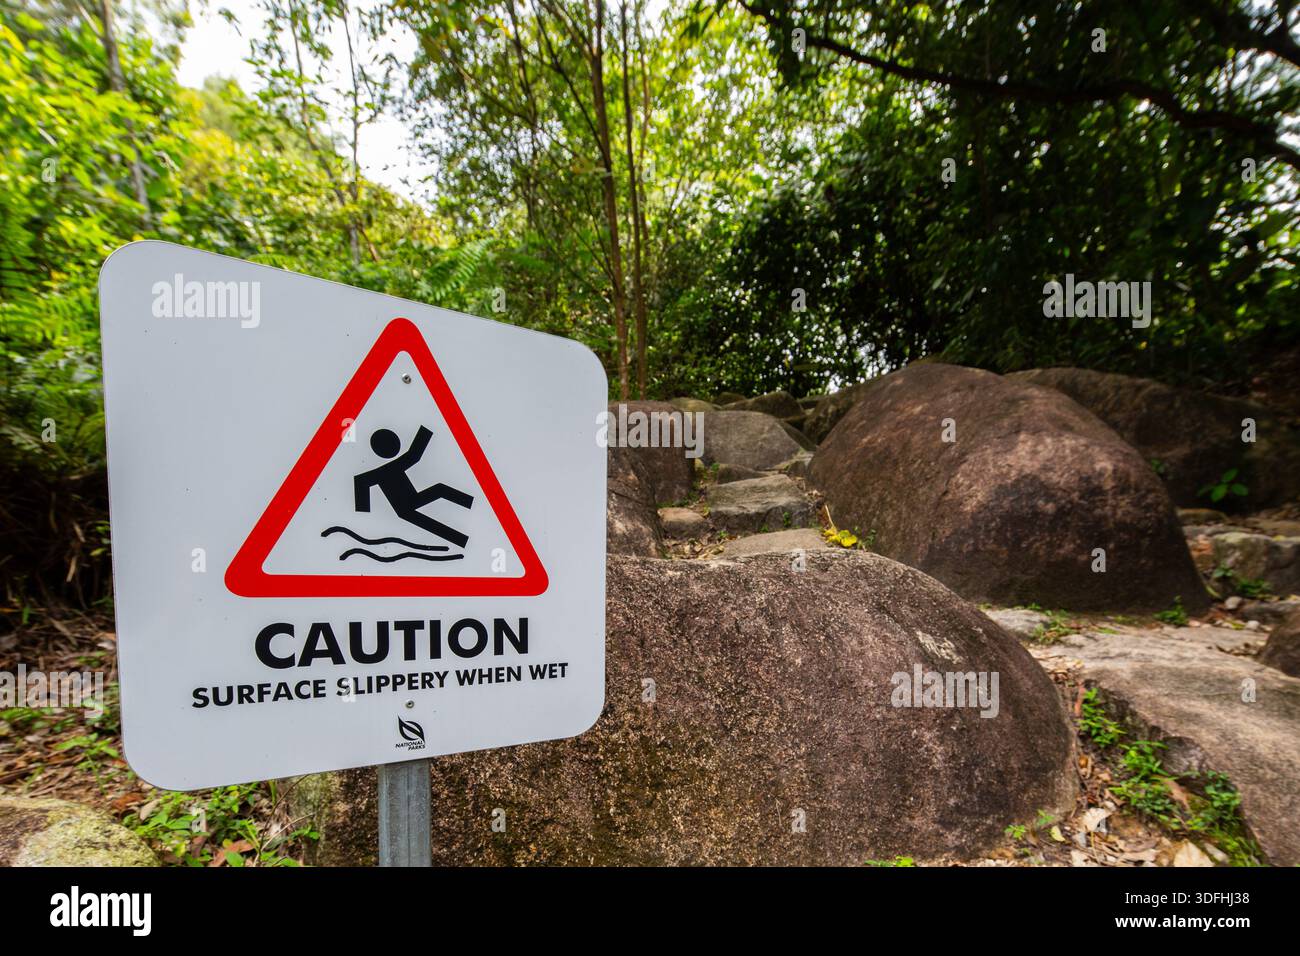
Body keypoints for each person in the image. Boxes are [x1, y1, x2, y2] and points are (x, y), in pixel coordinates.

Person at [354, 426, 473, 547]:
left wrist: (426, 430)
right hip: (404, 508)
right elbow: (414, 455)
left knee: (440, 490)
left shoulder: (380, 472)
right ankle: (462, 539)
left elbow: (414, 455)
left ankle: (471, 515)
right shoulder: (385, 470)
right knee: (439, 492)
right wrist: (425, 431)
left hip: (410, 502)